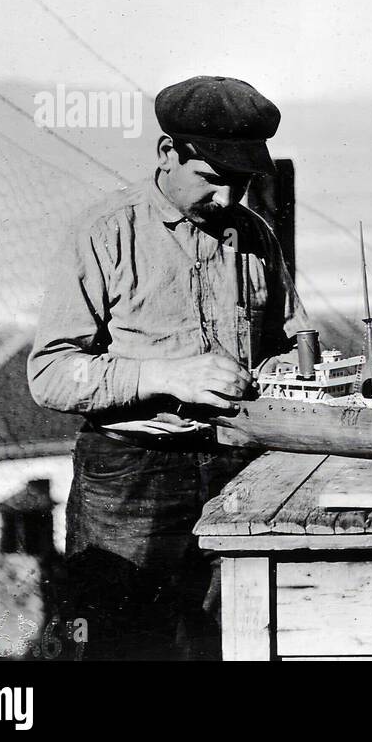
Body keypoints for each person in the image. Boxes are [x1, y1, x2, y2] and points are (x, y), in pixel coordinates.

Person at [28, 76, 306, 659]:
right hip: (130, 478)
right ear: (166, 154)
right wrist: (166, 376)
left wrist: (288, 366)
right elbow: (50, 374)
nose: (228, 201)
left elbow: (285, 343)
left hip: (237, 464)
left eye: (241, 184)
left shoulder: (256, 237)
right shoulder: (104, 234)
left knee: (233, 639)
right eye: (211, 179)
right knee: (119, 644)